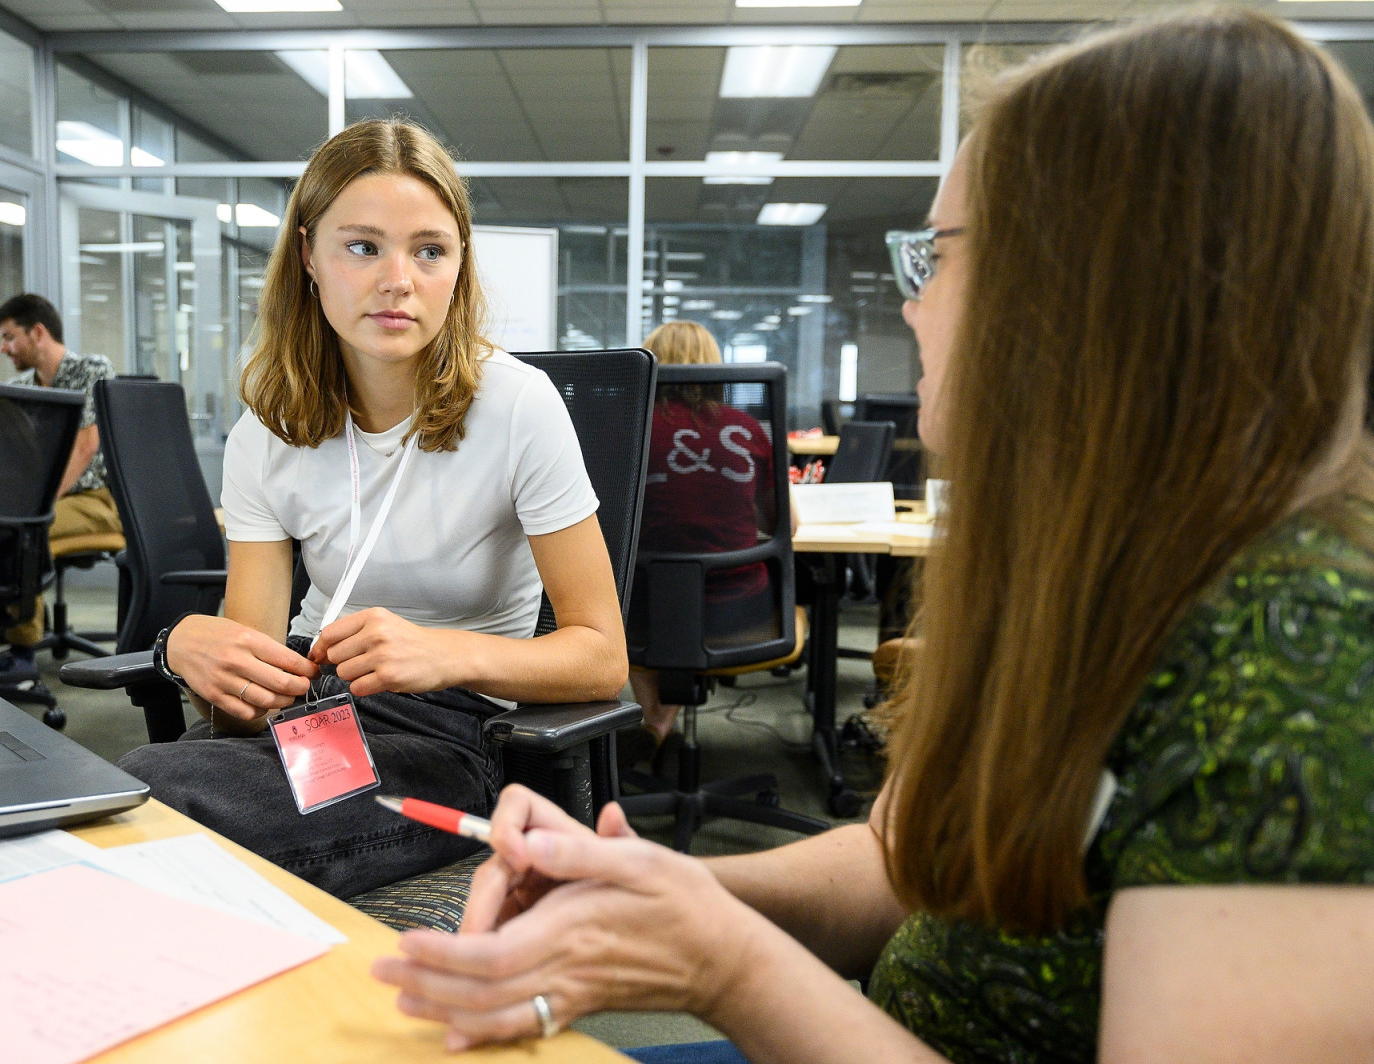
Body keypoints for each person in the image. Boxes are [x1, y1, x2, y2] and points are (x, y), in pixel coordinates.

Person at [370, 11, 1374, 1062]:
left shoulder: (1309, 663)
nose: (910, 305)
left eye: (934, 255)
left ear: (1089, 289)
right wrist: (654, 887)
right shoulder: (1091, 571)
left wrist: (719, 963)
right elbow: (906, 867)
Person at [115, 118, 628, 900]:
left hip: (453, 734)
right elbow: (243, 713)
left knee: (169, 812)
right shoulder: (268, 431)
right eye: (363, 247)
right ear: (310, 257)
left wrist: (445, 654)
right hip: (316, 713)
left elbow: (602, 657)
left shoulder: (518, 407)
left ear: (458, 268)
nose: (399, 279)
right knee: (123, 798)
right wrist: (185, 652)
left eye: (430, 250)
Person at [620, 320, 776, 775]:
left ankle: (654, 725)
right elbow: (782, 524)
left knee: (636, 610)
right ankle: (659, 729)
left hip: (640, 612)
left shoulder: (626, 431)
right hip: (737, 610)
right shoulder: (745, 428)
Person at [0, 292, 119, 673]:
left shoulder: (91, 369)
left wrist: (39, 500)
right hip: (45, 499)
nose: (3, 347)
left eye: (9, 336)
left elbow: (85, 445)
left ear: (38, 332)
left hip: (98, 498)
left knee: (25, 530)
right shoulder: (21, 387)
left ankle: (23, 651)